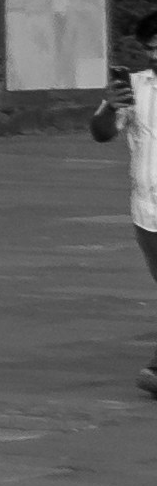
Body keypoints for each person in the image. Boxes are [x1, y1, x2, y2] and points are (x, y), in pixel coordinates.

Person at [99, 30, 157, 398]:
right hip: (148, 214)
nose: (155, 54)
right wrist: (109, 105)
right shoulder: (135, 87)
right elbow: (101, 133)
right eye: (151, 48)